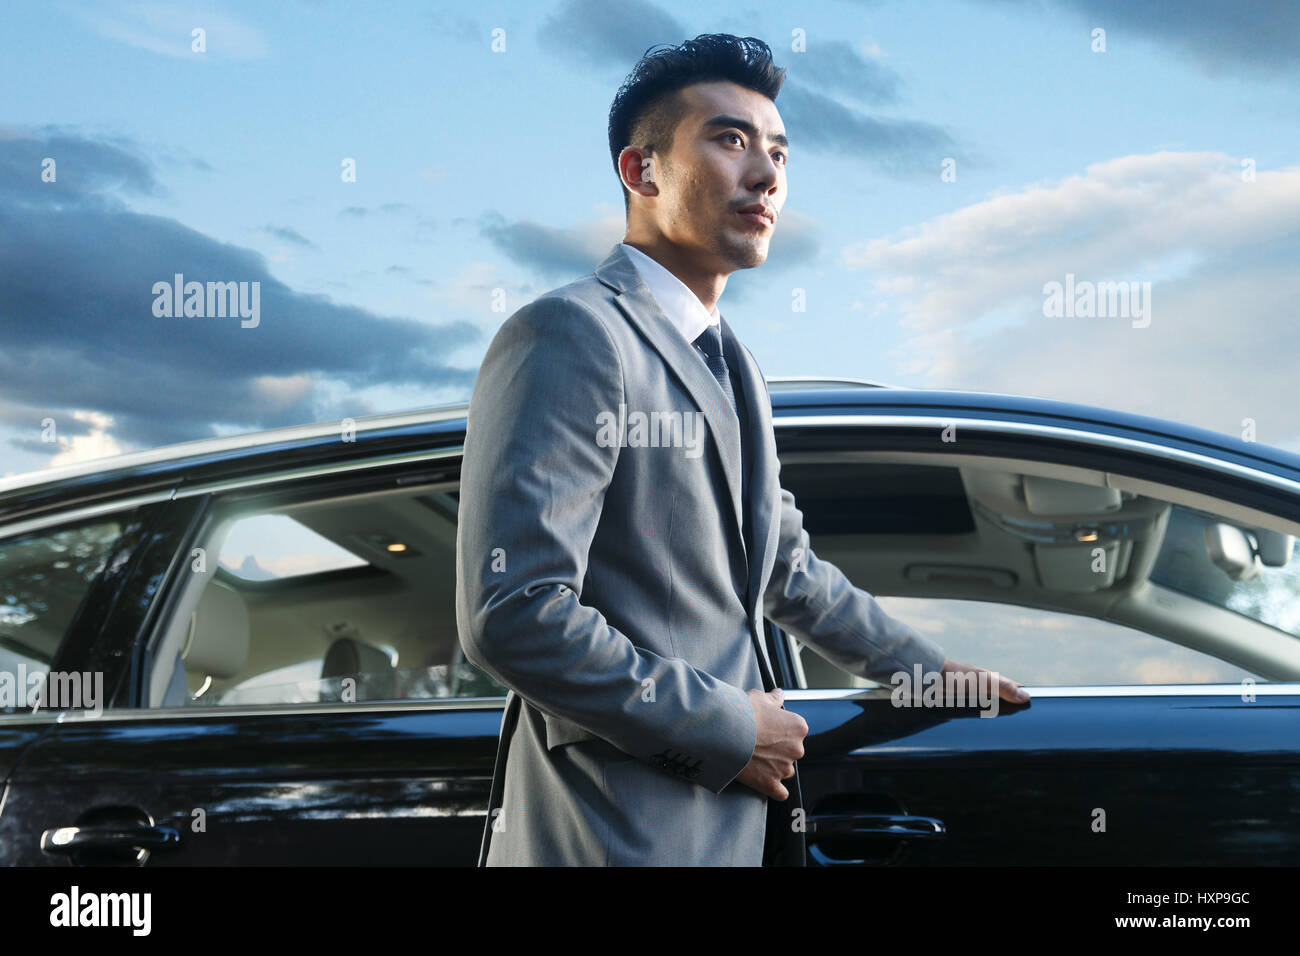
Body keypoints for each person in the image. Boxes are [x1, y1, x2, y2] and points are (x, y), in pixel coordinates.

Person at [455, 33, 1027, 867]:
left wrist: (932, 675)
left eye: (779, 152)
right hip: (614, 831)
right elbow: (514, 612)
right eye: (730, 140)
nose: (766, 175)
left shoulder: (737, 366)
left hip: (731, 833)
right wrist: (728, 727)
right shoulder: (572, 334)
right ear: (641, 170)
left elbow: (787, 569)